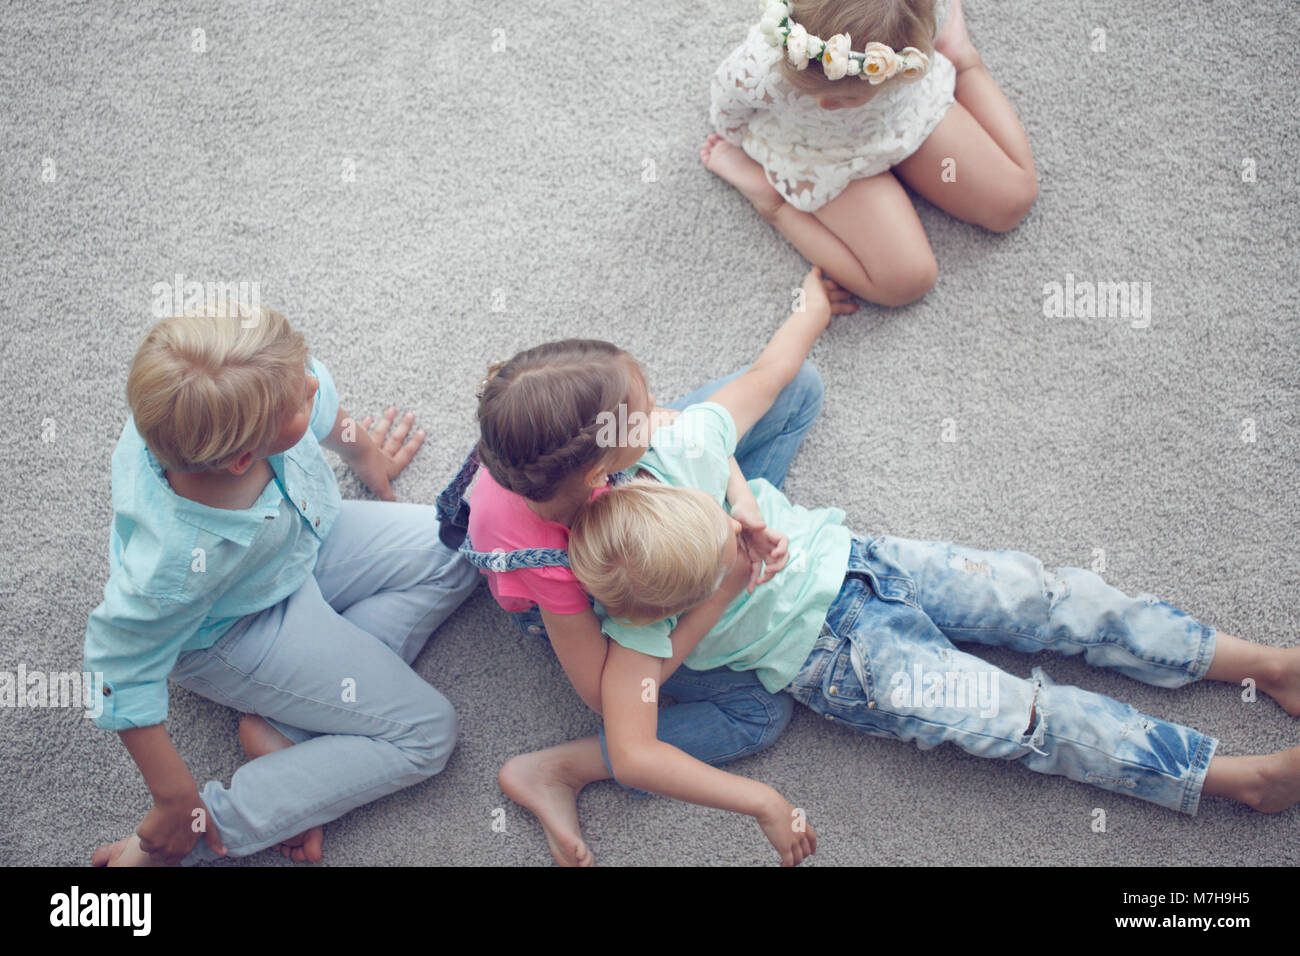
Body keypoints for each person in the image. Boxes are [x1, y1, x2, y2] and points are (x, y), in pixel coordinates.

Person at [553, 380, 1300, 865]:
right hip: (843, 662)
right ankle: (1231, 779)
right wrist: (765, 803)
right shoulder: (636, 627)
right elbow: (634, 744)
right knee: (1025, 715)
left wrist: (811, 303)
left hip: (869, 559)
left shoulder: (670, 460)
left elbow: (763, 384)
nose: (742, 542)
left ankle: (1263, 664)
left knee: (1050, 597)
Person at [438, 268, 854, 864]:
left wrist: (740, 500)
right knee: (758, 713)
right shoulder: (549, 560)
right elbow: (609, 692)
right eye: (644, 410)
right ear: (599, 472)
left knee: (796, 389)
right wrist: (722, 587)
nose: (659, 408)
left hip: (616, 478)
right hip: (606, 579)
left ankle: (697, 522)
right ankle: (559, 768)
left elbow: (706, 420)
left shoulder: (579, 443)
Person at [86, 304, 479, 866]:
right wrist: (173, 797)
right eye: (300, 396)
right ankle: (203, 834)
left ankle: (289, 728)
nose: (314, 382)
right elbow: (114, 668)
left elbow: (317, 402)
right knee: (427, 735)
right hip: (238, 629)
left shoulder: (247, 388)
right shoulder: (173, 561)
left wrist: (368, 459)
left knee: (462, 541)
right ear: (245, 457)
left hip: (304, 539)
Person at [704, 0, 1037, 305]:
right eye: (829, 96)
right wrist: (740, 140)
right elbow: (727, 109)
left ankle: (962, 58)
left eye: (846, 99)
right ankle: (774, 204)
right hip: (823, 154)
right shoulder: (762, 66)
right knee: (906, 280)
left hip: (906, 114)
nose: (828, 104)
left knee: (1012, 200)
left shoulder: (918, 14)